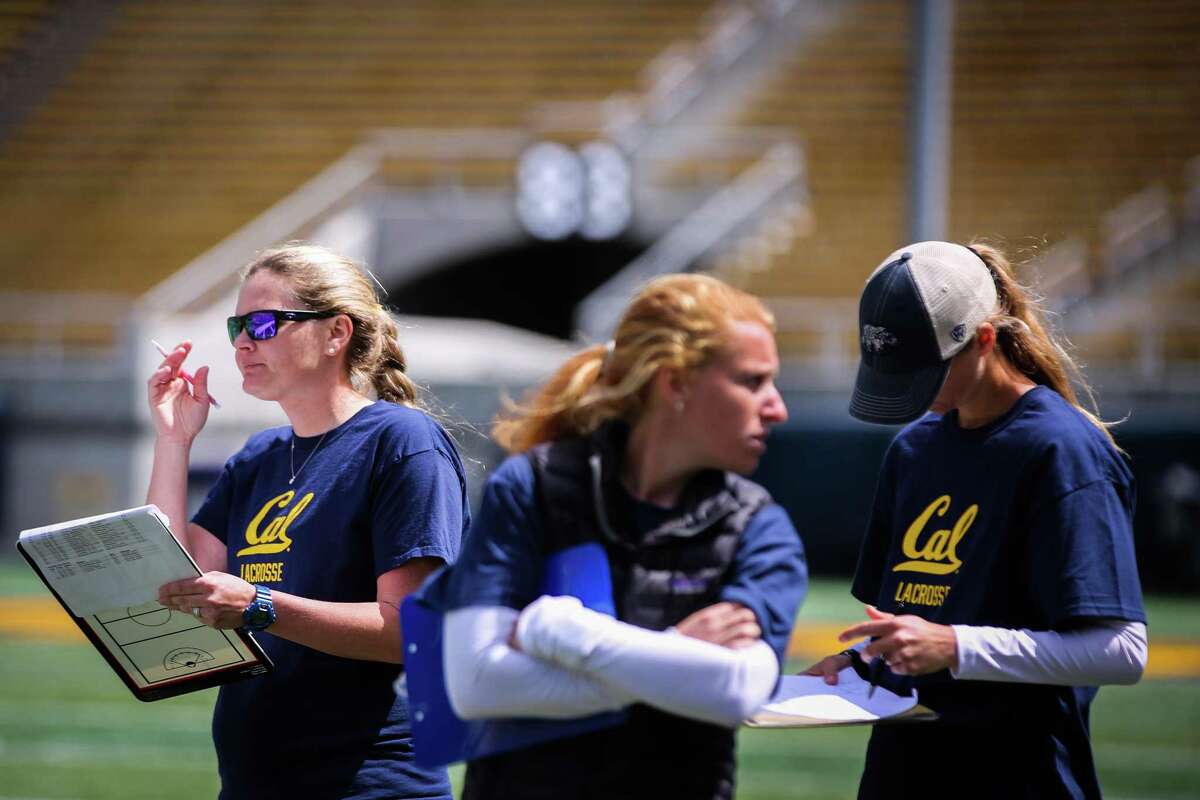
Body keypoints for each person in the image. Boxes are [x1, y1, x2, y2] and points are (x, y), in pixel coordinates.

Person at [422, 273, 807, 800]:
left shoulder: (760, 528)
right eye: (752, 381)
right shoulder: (532, 485)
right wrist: (676, 656)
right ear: (675, 382)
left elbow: (735, 689)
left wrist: (558, 631)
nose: (777, 408)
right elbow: (476, 684)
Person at [806, 240, 1148, 799]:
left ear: (984, 340)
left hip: (1019, 780)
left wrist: (956, 647)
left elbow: (1122, 652)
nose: (910, 396)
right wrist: (855, 663)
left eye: (923, 374)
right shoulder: (913, 449)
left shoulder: (1061, 450)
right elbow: (920, 623)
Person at [147, 243, 469, 800]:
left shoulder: (402, 442)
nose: (243, 342)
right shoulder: (258, 456)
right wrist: (173, 439)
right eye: (237, 326)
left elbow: (411, 631)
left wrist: (261, 606)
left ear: (335, 333)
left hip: (371, 786)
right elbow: (178, 579)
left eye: (264, 323)